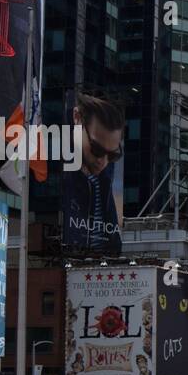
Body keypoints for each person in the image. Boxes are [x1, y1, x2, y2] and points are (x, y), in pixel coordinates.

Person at [61, 91, 125, 253]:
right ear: (77, 118)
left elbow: (112, 225)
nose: (103, 161)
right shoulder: (58, 161)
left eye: (113, 155)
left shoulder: (107, 172)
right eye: (96, 149)